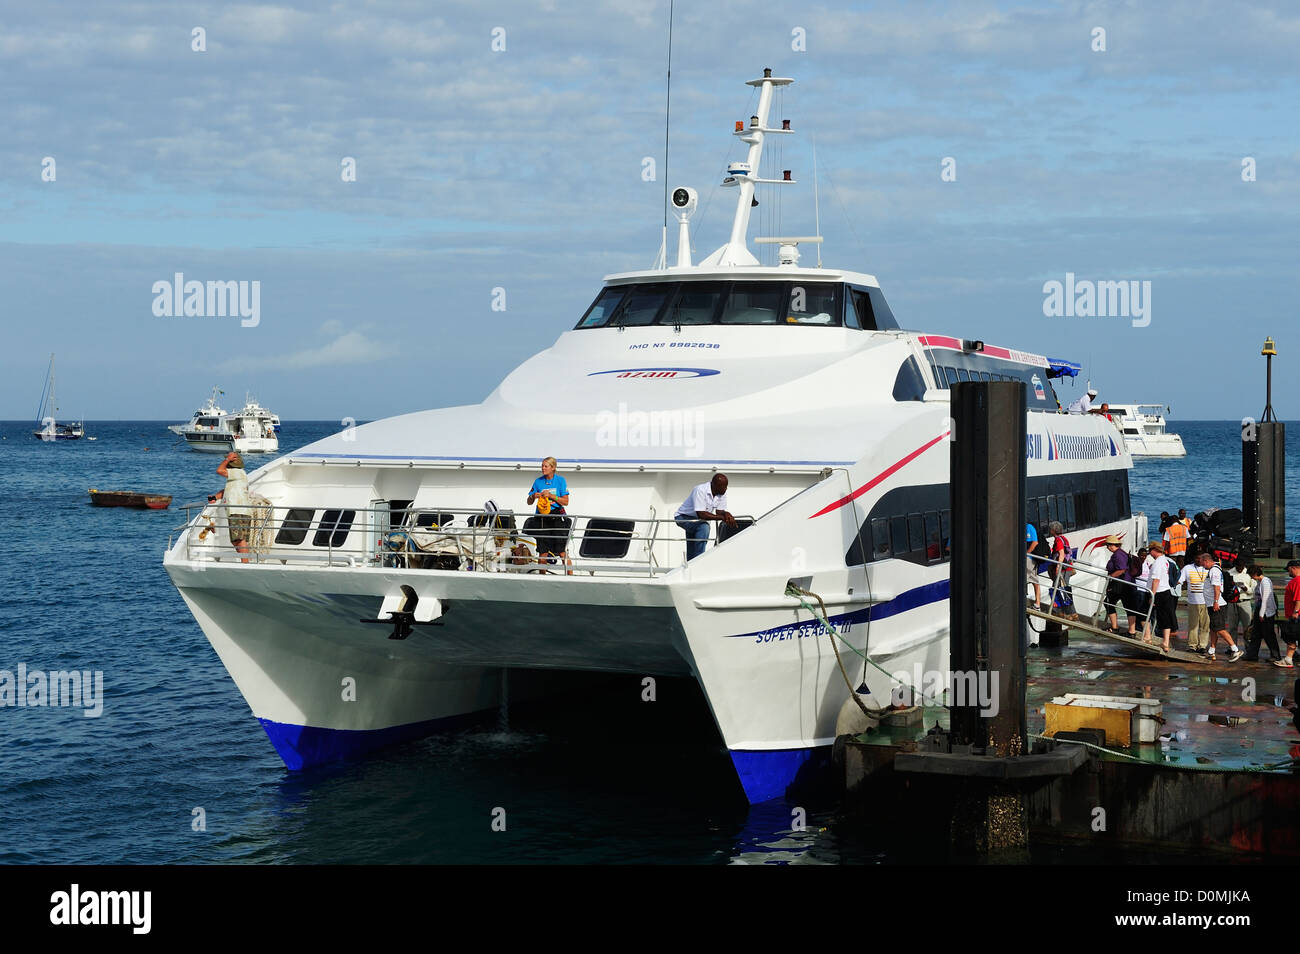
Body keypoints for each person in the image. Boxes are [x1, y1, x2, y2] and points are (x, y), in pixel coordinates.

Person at [675, 474, 735, 561]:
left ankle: (691, 563)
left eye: (726, 486)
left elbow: (719, 511)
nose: (726, 489)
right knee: (704, 527)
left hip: (697, 520)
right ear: (715, 485)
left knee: (693, 544)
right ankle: (700, 560)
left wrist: (726, 514)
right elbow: (701, 514)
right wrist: (722, 518)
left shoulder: (721, 492)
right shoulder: (700, 490)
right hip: (682, 517)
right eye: (724, 486)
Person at [526, 456, 571, 569]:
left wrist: (551, 496)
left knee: (561, 551)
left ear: (553, 467)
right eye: (542, 466)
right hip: (542, 518)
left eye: (546, 466)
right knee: (543, 551)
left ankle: (570, 575)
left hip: (556, 517)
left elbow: (565, 502)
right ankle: (542, 577)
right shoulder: (538, 481)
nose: (543, 468)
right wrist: (533, 496)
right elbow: (528, 502)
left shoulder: (560, 480)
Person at [1201, 554, 1244, 661]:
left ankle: (1235, 650)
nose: (1202, 565)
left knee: (1220, 628)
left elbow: (1217, 587)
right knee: (1213, 628)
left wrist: (1216, 602)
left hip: (1217, 604)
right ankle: (1212, 651)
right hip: (1212, 604)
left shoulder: (1214, 571)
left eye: (1202, 563)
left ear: (1206, 561)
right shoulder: (1214, 569)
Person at [213, 451, 252, 562]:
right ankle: (245, 561)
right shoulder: (240, 475)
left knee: (239, 539)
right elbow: (229, 490)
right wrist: (215, 497)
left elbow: (219, 470)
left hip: (237, 511)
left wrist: (227, 459)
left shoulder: (236, 472)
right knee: (236, 540)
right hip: (242, 511)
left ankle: (245, 563)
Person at [1244, 565, 1283, 663]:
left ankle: (1275, 655)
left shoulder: (1265, 582)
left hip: (1266, 612)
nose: (1251, 577)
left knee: (1268, 634)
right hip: (1260, 610)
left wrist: (1262, 613)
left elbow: (1265, 599)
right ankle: (1252, 654)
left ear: (1255, 574)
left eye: (1251, 575)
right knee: (1256, 633)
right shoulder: (1260, 582)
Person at [1176, 554, 1211, 653]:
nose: (1199, 560)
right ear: (1194, 559)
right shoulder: (1187, 568)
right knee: (1193, 625)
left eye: (1201, 558)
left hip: (1206, 602)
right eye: (1197, 558)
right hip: (1193, 601)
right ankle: (1192, 645)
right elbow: (1179, 580)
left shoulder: (1208, 569)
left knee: (1205, 625)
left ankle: (1202, 646)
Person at [1046, 521, 1077, 620]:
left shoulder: (1058, 541)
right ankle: (1071, 613)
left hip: (1063, 570)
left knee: (1059, 590)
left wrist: (1058, 567)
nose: (1050, 530)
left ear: (1053, 530)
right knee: (1063, 590)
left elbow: (1061, 553)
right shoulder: (1063, 538)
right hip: (1067, 568)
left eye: (1051, 529)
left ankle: (1062, 613)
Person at [1274, 560, 1300, 669]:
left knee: (1289, 636)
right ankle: (1289, 659)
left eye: (1288, 570)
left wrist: (1295, 612)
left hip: (1296, 615)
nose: (1288, 572)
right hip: (1296, 615)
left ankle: (1288, 660)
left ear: (1293, 568)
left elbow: (1299, 598)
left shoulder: (1297, 581)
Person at [1102, 535, 1130, 633]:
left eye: (1107, 545)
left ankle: (1115, 627)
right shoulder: (1120, 553)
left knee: (1108, 602)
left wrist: (1110, 576)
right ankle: (1117, 627)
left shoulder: (1118, 555)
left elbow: (1121, 569)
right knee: (1111, 603)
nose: (1107, 547)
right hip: (1122, 583)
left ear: (1111, 545)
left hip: (1119, 583)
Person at [1228, 559, 1255, 641]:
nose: (1240, 569)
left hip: (1245, 601)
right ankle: (1232, 647)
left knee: (1247, 626)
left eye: (1241, 568)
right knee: (1232, 626)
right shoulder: (1229, 573)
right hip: (1232, 602)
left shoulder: (1249, 574)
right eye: (1238, 568)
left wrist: (1246, 588)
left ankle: (1249, 647)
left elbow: (1253, 590)